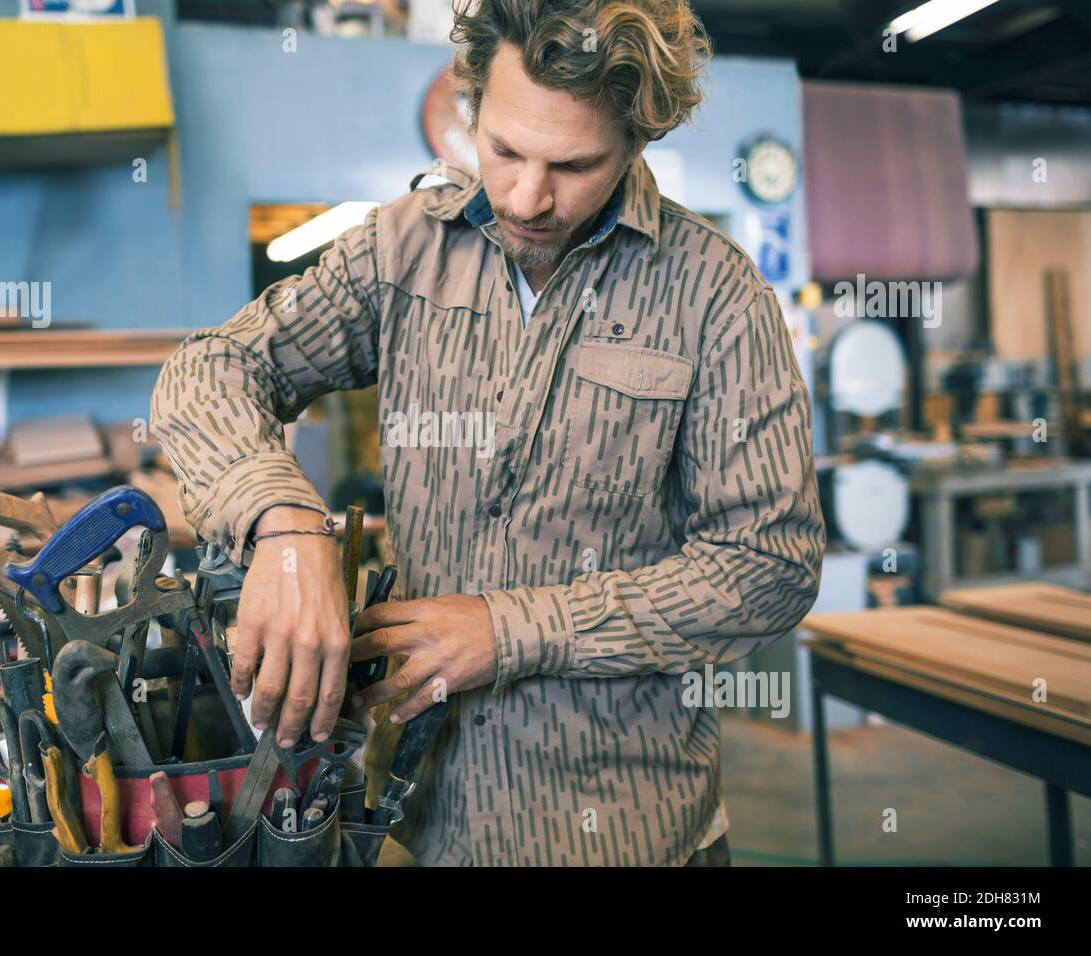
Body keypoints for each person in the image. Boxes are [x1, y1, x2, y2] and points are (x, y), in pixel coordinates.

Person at [152, 0, 825, 866]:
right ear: (473, 104)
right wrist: (283, 525)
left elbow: (769, 567)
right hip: (423, 830)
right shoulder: (401, 252)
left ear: (636, 142)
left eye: (573, 164)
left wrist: (511, 630)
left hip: (635, 834)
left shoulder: (717, 298)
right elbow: (210, 370)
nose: (524, 196)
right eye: (503, 149)